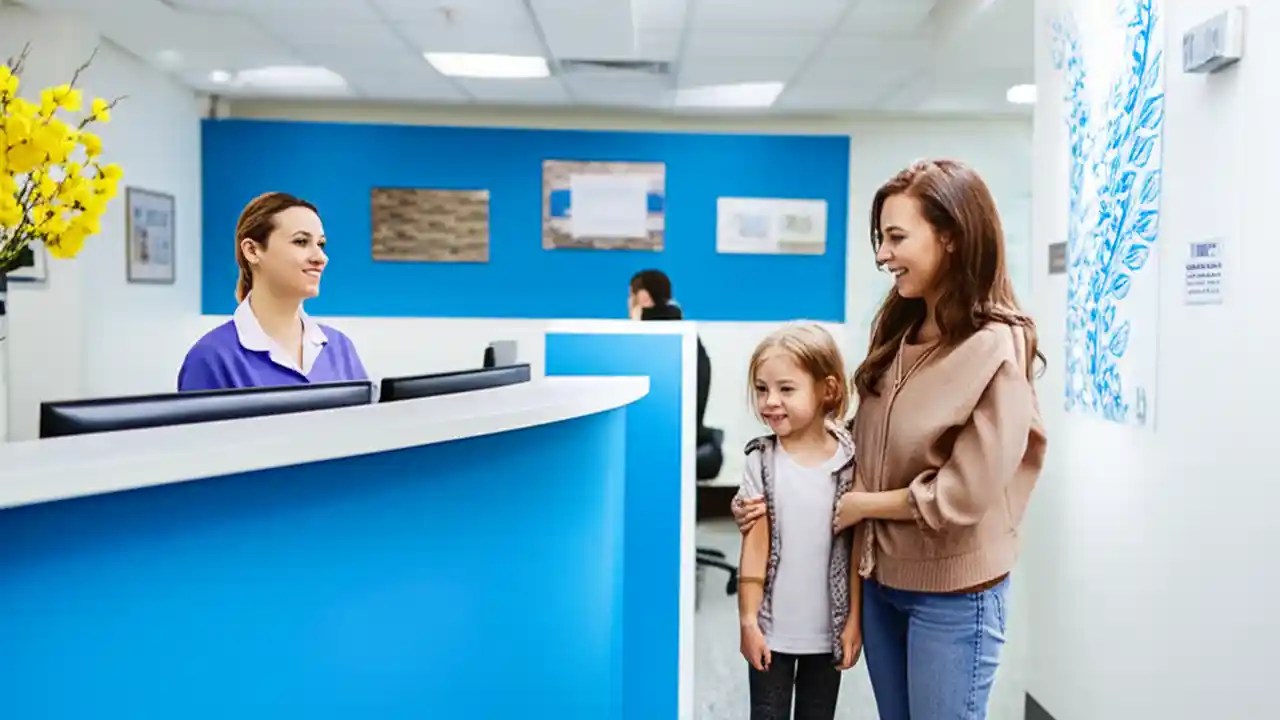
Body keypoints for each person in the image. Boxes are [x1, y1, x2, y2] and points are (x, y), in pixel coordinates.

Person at [734, 159, 1047, 720]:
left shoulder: (999, 345)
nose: (882, 254)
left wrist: (863, 506)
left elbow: (964, 493)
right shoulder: (899, 331)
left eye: (896, 237)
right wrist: (775, 490)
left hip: (953, 594)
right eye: (881, 239)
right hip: (881, 583)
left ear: (950, 236)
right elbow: (860, 447)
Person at [734, 323, 862, 720]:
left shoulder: (851, 462)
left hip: (828, 635)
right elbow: (754, 548)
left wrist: (855, 619)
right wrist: (748, 622)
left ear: (828, 390)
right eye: (761, 389)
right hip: (772, 632)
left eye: (786, 389)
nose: (770, 401)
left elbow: (857, 549)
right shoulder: (761, 462)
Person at [178, 191, 368, 391]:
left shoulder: (340, 349)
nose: (321, 258)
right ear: (252, 251)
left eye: (320, 244)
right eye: (301, 241)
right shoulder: (211, 359)